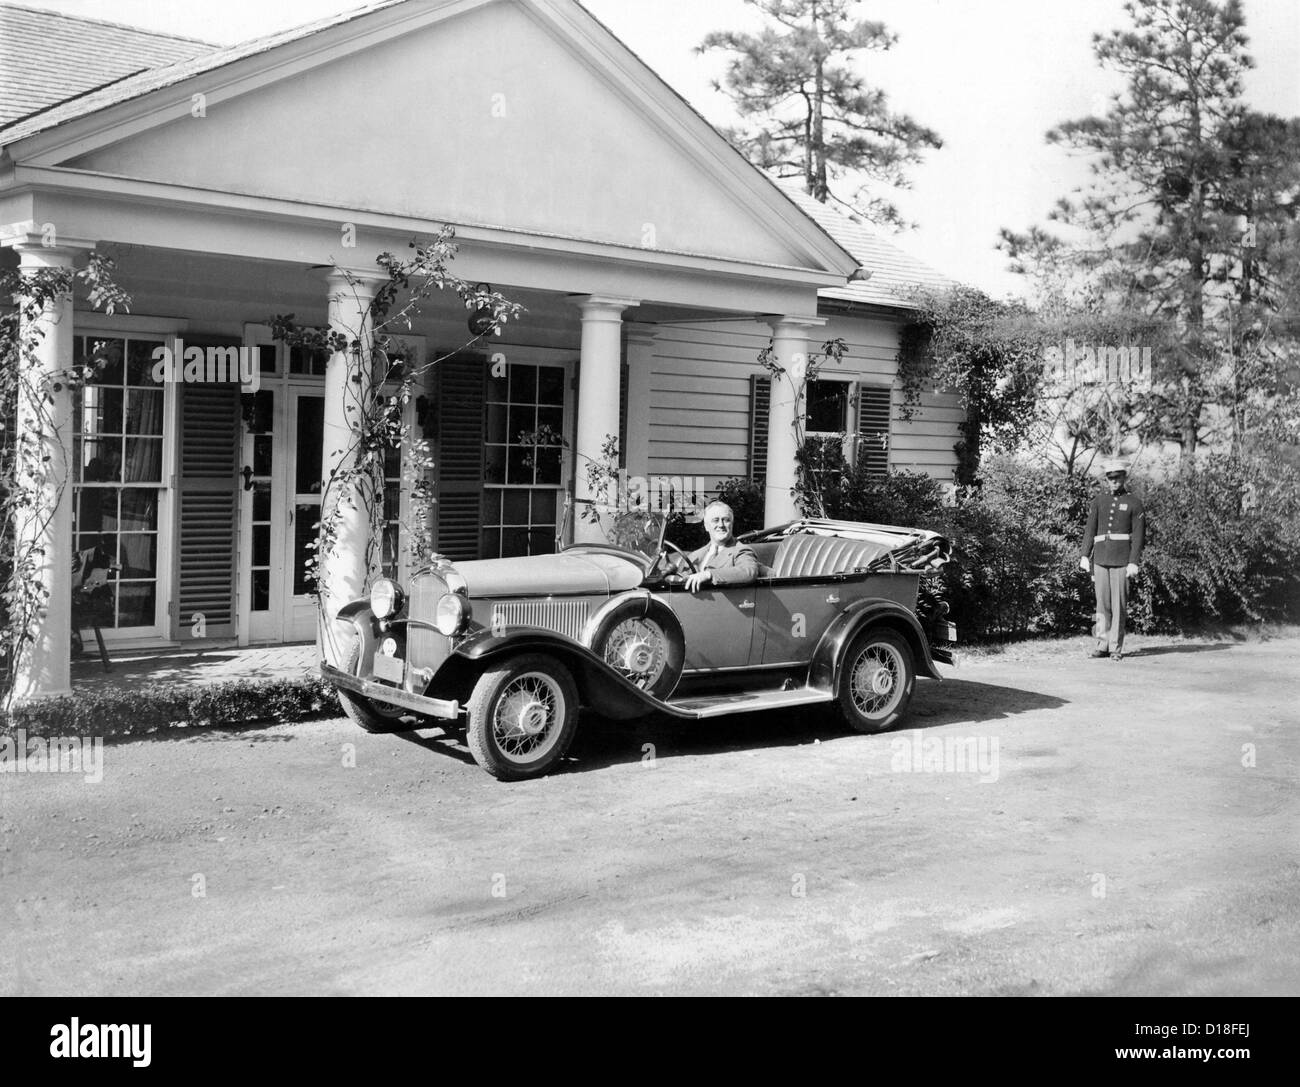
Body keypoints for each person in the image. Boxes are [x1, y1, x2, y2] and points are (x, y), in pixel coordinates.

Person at [1079, 456, 1145, 660]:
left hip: (1121, 559)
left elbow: (1139, 535)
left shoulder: (1134, 503)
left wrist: (1134, 561)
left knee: (1119, 605)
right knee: (1101, 605)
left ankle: (1115, 647)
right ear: (1106, 479)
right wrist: (1084, 555)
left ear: (1125, 477)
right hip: (1100, 558)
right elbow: (1090, 529)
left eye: (1117, 477)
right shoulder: (1099, 501)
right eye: (1110, 478)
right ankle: (1101, 644)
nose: (1114, 481)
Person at [682, 500, 758, 593]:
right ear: (706, 526)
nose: (721, 525)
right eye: (715, 520)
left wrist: (709, 574)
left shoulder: (741, 550)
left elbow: (748, 572)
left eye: (726, 520)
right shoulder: (695, 555)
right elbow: (682, 579)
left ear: (732, 524)